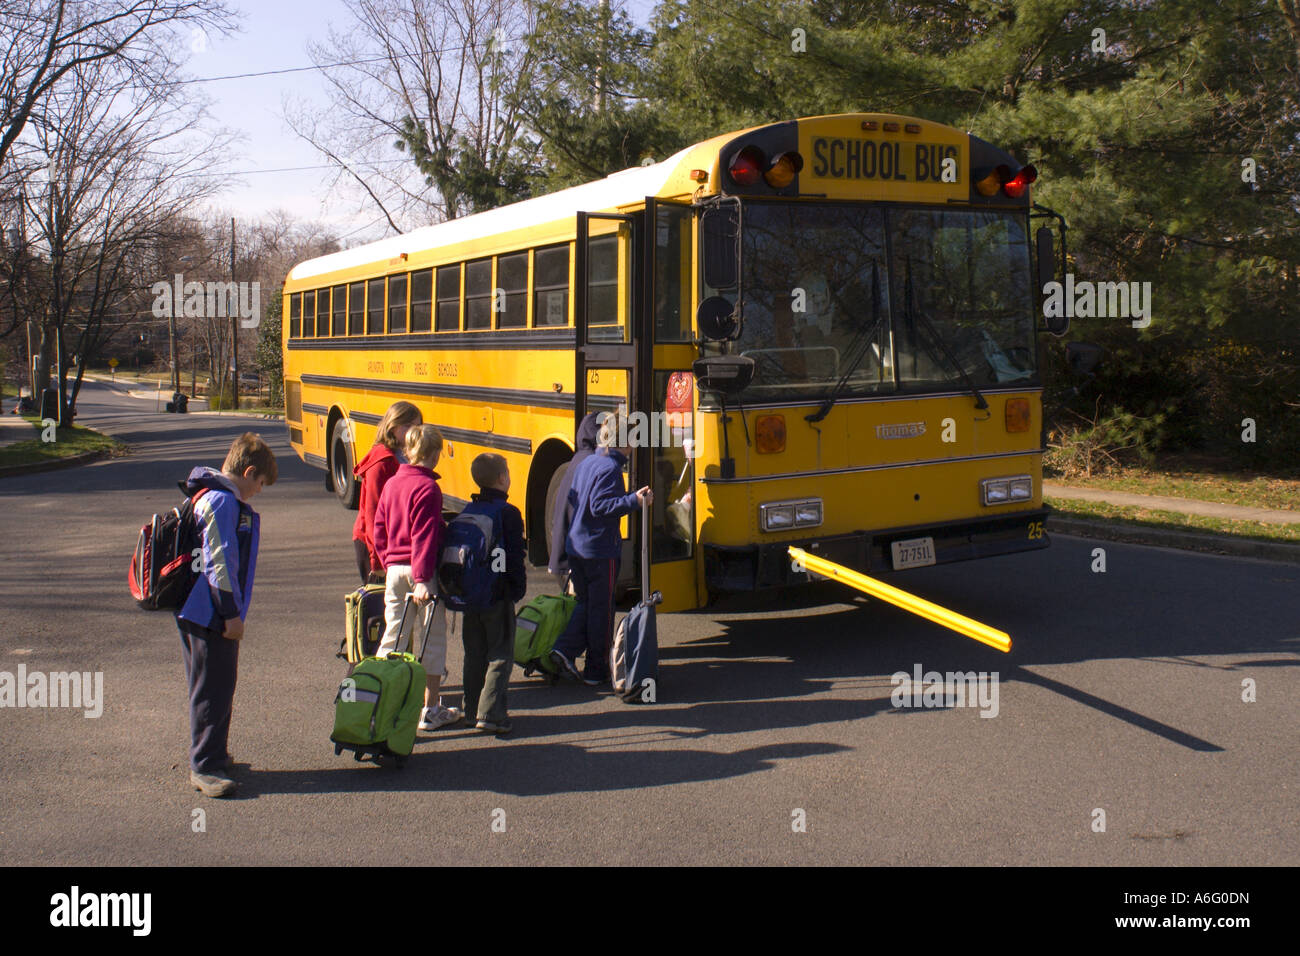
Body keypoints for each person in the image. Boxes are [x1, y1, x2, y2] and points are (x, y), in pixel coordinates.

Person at [177, 432, 278, 798]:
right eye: (260, 483)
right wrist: (231, 615)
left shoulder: (208, 494)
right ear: (248, 472)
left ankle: (213, 754)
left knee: (211, 685)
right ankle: (205, 766)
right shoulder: (223, 502)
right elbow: (220, 561)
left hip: (197, 608)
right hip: (211, 612)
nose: (259, 491)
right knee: (213, 689)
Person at [550, 412, 652, 686]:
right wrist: (634, 500)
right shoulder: (610, 469)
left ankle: (564, 650)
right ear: (626, 441)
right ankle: (596, 670)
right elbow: (601, 506)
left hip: (578, 546)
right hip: (599, 550)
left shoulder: (588, 462)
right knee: (602, 611)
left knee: (587, 604)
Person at [372, 423, 462, 731]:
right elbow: (424, 536)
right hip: (419, 572)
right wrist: (423, 578)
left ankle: (380, 704)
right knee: (431, 640)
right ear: (436, 454)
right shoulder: (428, 488)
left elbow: (379, 528)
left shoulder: (393, 483)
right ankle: (430, 708)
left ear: (408, 451)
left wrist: (386, 560)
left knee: (393, 638)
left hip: (393, 570)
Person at [460, 453, 526, 734]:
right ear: (502, 478)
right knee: (500, 653)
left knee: (474, 653)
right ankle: (492, 714)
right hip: (497, 594)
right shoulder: (508, 513)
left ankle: (471, 709)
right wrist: (516, 587)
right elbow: (512, 556)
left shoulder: (468, 509)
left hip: (470, 594)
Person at [353, 401, 423, 583]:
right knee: (379, 604)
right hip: (374, 544)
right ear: (392, 426)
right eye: (407, 426)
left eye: (417, 426)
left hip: (394, 541)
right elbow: (372, 513)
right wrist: (376, 560)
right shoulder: (382, 462)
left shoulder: (406, 454)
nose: (413, 431)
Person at [547, 411, 602, 578]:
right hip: (581, 551)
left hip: (570, 548)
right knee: (585, 600)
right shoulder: (593, 464)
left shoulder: (579, 459)